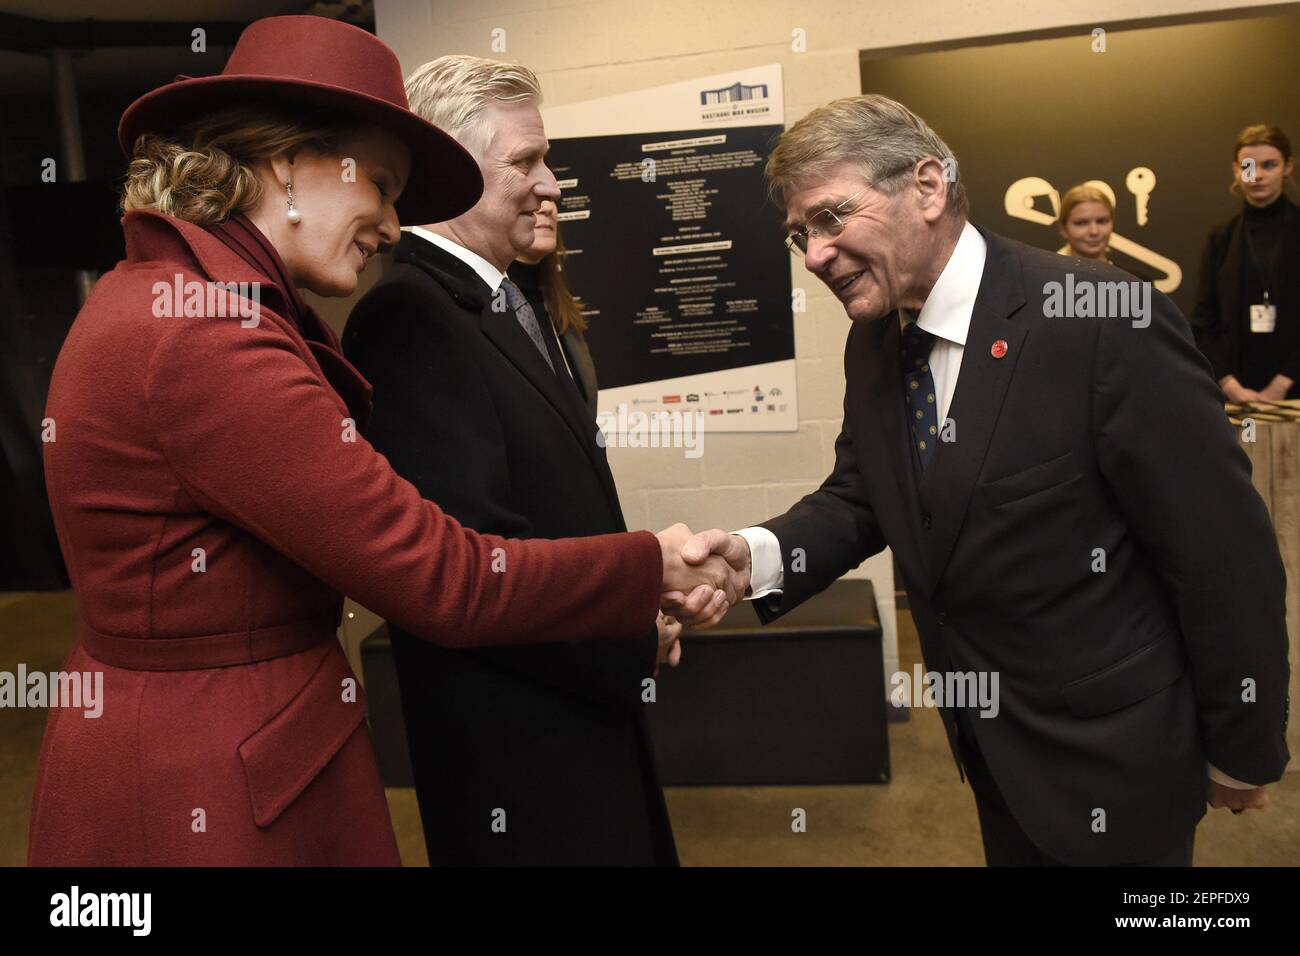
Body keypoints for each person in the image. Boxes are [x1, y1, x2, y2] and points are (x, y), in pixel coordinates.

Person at [28, 16, 736, 867]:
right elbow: (444, 575)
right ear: (290, 164)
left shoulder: (176, 298)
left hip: (230, 745)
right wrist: (646, 564)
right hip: (209, 778)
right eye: (385, 187)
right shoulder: (204, 333)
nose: (395, 227)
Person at [675, 94, 1290, 866]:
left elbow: (1222, 553)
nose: (815, 255)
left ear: (927, 188)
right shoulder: (873, 342)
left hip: (1116, 760)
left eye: (832, 218)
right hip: (990, 754)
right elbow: (865, 495)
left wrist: (1246, 741)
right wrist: (751, 556)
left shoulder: (1103, 322)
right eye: (802, 233)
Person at [343, 56, 679, 866]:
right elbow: (471, 563)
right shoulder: (408, 318)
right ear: (451, 170)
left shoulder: (504, 299)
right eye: (526, 161)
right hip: (516, 746)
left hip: (576, 703)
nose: (554, 183)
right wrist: (628, 634)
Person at [1192, 124, 1300, 402]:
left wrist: (1282, 384)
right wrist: (1228, 384)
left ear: (1287, 167)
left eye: (1269, 165)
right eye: (1248, 166)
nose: (1257, 175)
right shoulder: (1221, 237)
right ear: (1236, 170)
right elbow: (1204, 322)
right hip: (1234, 395)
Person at [1056, 184, 1115, 262]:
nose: (1094, 231)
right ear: (1063, 229)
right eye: (1081, 223)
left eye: (1101, 221)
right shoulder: (1047, 273)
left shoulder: (1128, 274)